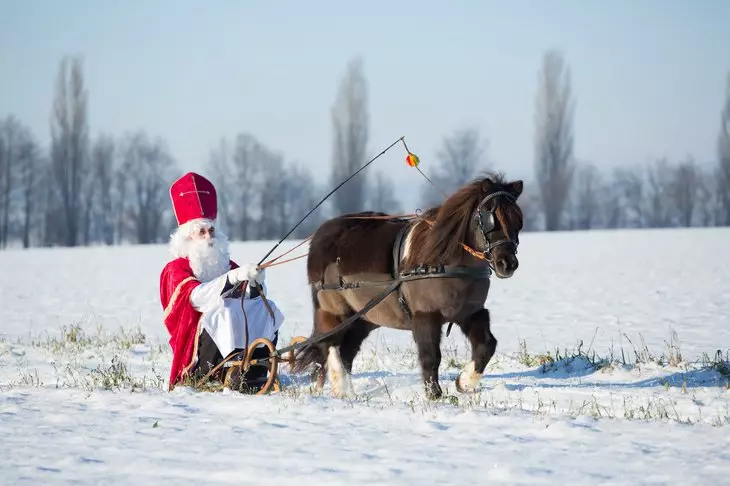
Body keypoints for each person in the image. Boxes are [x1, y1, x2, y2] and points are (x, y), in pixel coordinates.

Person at [159, 171, 285, 392]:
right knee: (224, 311)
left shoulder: (225, 263)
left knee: (264, 308)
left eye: (211, 230)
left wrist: (255, 282)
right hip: (196, 349)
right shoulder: (176, 268)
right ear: (187, 237)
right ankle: (217, 372)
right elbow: (197, 298)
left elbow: (248, 295)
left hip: (225, 333)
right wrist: (234, 277)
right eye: (201, 232)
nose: (209, 237)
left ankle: (257, 370)